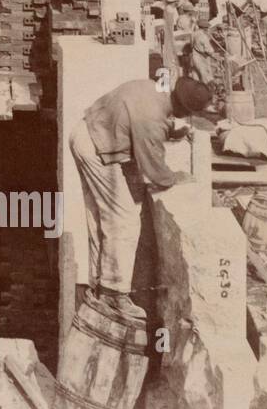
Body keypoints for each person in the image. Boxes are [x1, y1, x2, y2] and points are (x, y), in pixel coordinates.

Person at [69, 75, 212, 319]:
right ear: (181, 107)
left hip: (88, 132)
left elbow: (146, 120)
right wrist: (174, 177)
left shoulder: (154, 88)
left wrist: (170, 132)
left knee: (102, 214)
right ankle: (114, 294)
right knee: (124, 219)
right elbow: (153, 168)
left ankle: (98, 283)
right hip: (96, 147)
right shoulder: (151, 118)